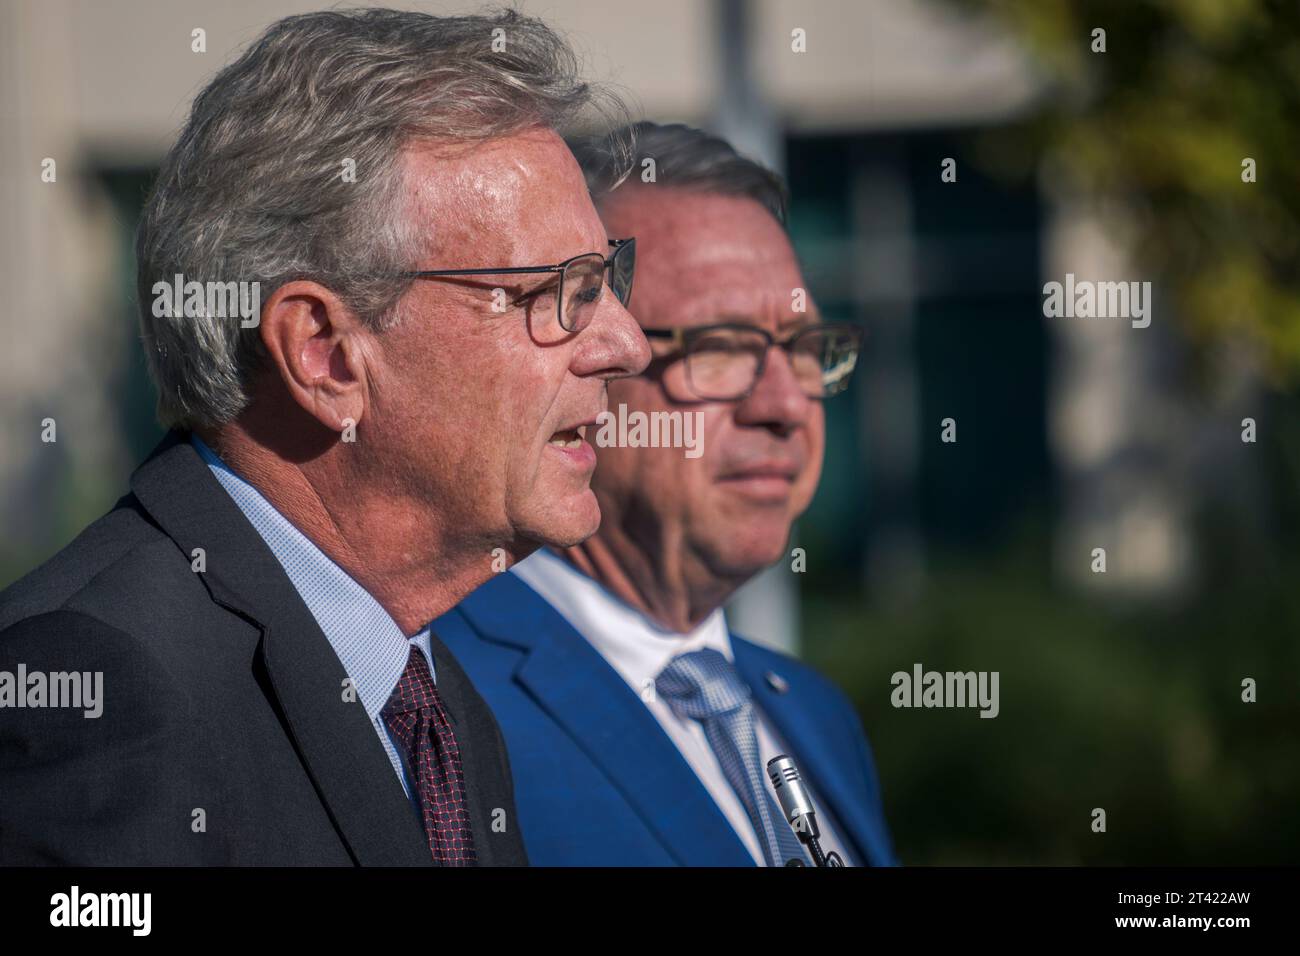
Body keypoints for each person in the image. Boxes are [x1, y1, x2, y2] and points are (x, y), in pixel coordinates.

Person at [0, 9, 648, 866]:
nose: (626, 343)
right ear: (326, 354)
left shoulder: (431, 695)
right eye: (557, 290)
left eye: (606, 277)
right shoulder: (97, 693)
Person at [436, 123, 896, 866]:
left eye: (806, 349)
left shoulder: (812, 712)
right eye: (719, 349)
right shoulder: (437, 704)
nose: (784, 406)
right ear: (586, 360)